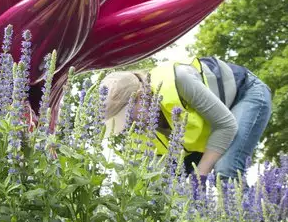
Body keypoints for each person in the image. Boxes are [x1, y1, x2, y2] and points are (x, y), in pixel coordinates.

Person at [101, 56, 272, 179]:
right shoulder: (139, 129)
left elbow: (226, 126)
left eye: (128, 114)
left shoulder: (178, 80)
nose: (129, 123)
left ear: (141, 96)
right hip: (212, 127)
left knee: (226, 170)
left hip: (245, 93)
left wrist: (201, 176)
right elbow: (161, 172)